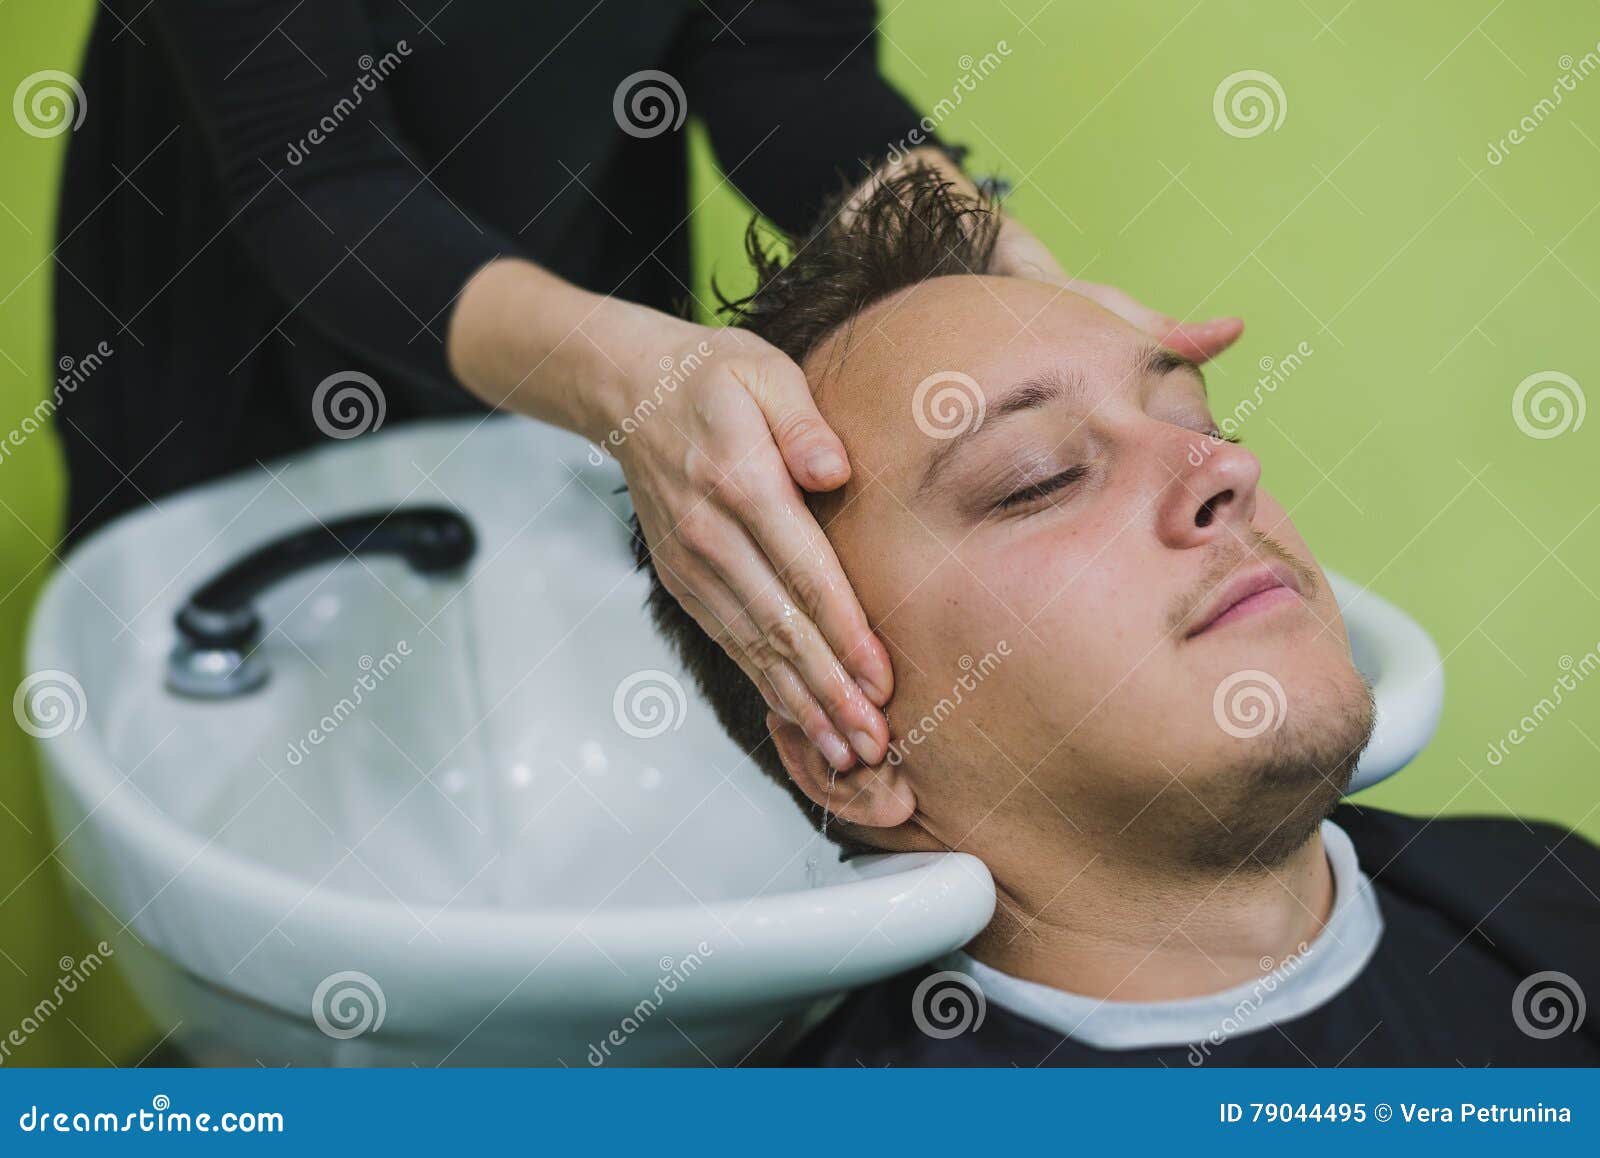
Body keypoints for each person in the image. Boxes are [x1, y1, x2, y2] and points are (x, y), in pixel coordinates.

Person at [52, 0, 1242, 781]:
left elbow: (788, 69)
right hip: (238, 343)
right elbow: (318, 178)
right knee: (290, 781)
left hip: (581, 267)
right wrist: (631, 380)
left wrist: (995, 265)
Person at [632, 166, 1600, 1066]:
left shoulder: (1556, 897)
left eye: (1198, 424)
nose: (1225, 469)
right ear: (853, 752)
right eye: (1038, 478)